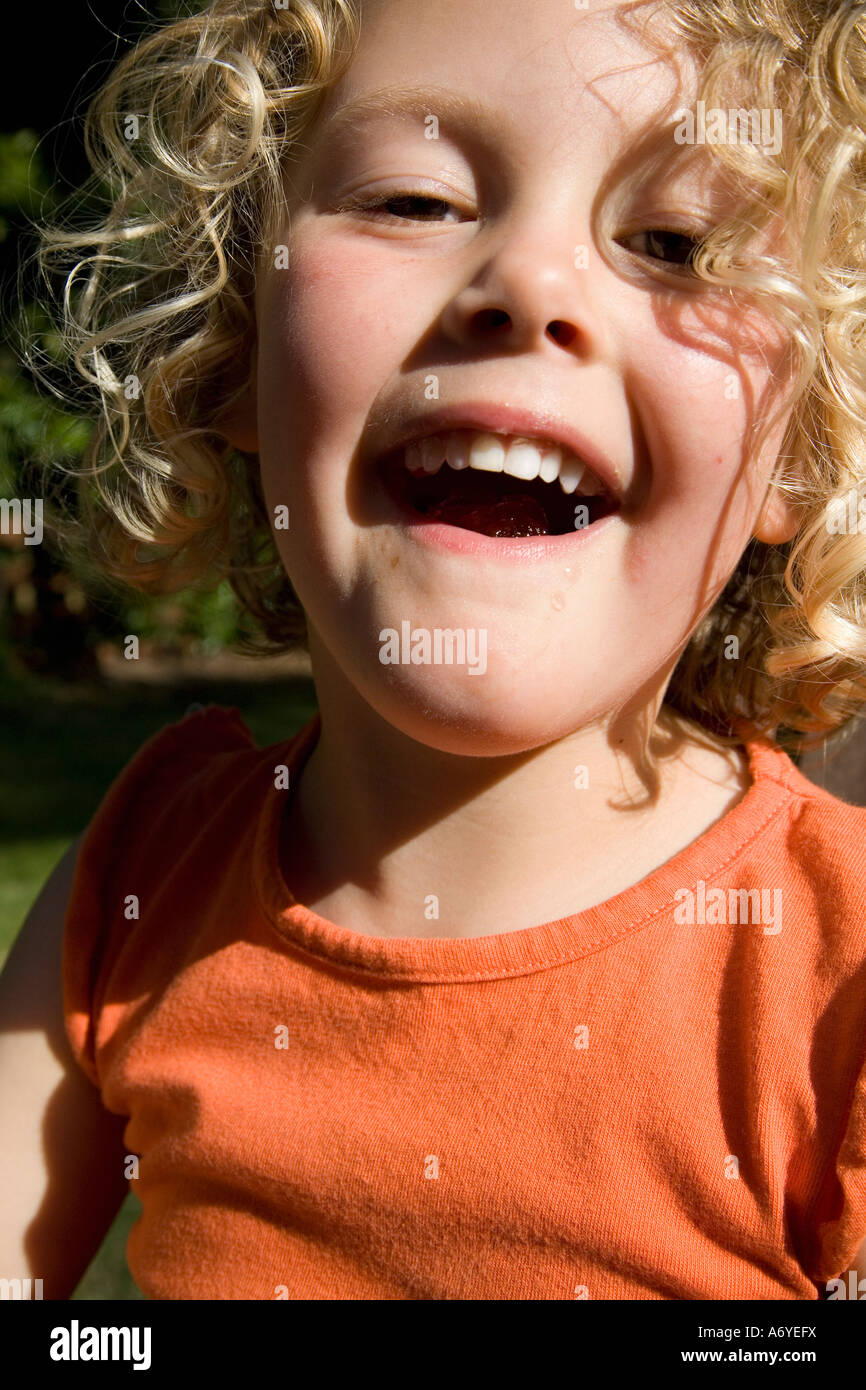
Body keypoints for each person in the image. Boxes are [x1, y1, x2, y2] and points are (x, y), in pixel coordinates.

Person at [1, 0, 865, 1301]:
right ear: (229, 344)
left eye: (676, 243)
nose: (528, 285)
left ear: (792, 453)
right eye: (411, 201)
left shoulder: (831, 967)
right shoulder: (133, 891)